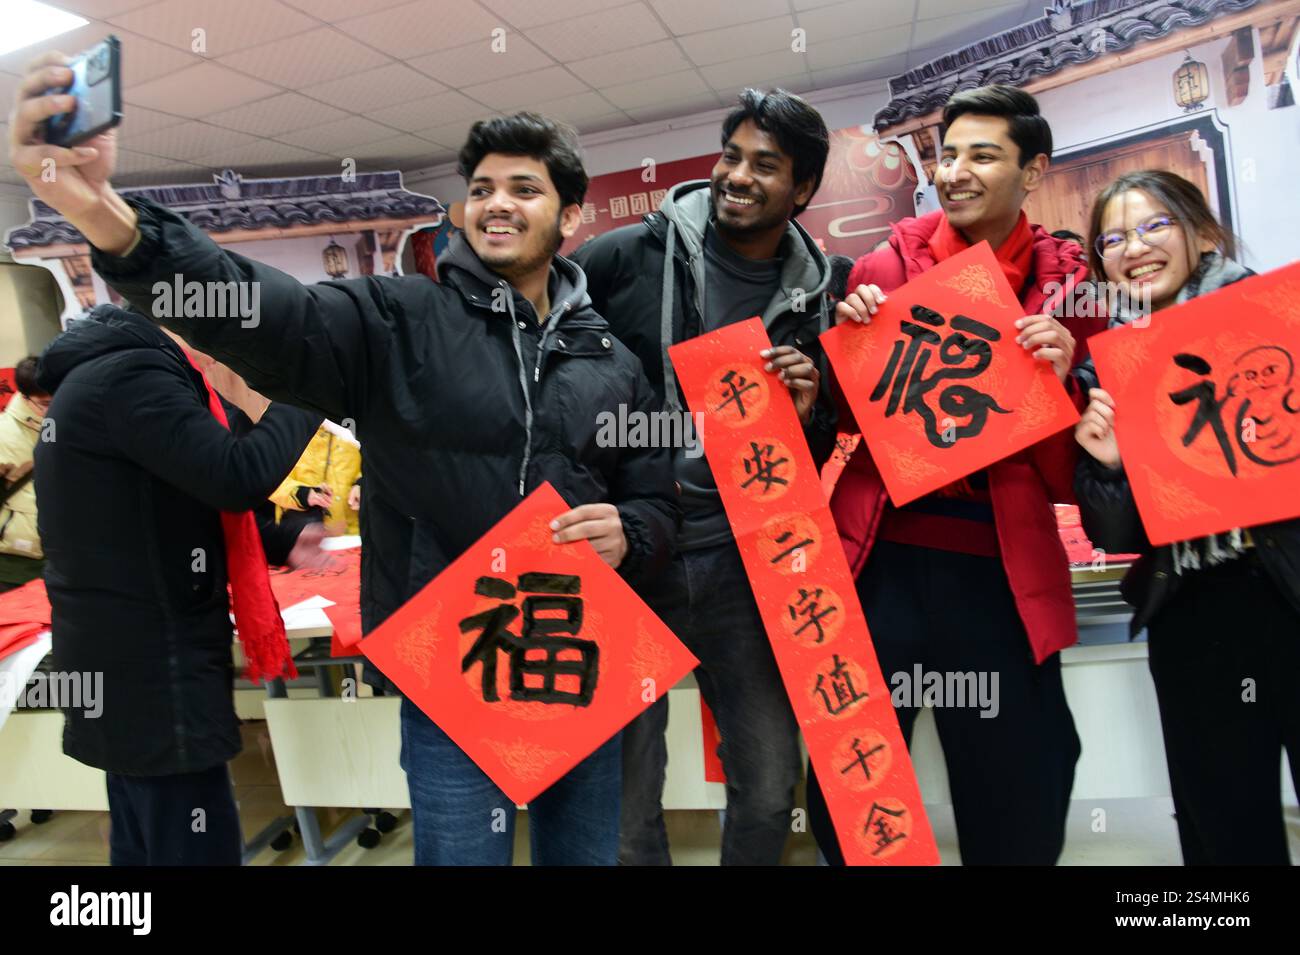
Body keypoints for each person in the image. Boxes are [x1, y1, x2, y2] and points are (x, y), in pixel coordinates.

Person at [10, 58, 679, 866]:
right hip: (451, 671)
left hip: (573, 658)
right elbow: (261, 312)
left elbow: (654, 496)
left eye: (526, 188)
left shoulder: (611, 359)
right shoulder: (397, 319)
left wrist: (632, 532)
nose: (498, 202)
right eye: (484, 187)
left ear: (570, 214)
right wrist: (108, 217)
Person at [821, 84, 1100, 865]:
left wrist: (1064, 382)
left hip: (1001, 569)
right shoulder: (881, 265)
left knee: (1024, 775)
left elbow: (1080, 469)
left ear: (1034, 169)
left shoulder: (1071, 287)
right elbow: (845, 421)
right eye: (948, 154)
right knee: (859, 776)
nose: (956, 172)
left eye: (983, 154)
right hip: (887, 556)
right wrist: (849, 344)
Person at [573, 88, 835, 865]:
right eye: (731, 156)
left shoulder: (820, 294)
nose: (739, 176)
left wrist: (810, 404)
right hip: (630, 553)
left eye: (766, 164)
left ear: (804, 190)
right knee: (624, 802)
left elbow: (819, 446)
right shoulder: (621, 258)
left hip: (746, 564)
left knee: (766, 781)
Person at [33, 305, 320, 865]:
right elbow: (233, 477)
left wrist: (279, 542)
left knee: (145, 835)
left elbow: (165, 503)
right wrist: (302, 394)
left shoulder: (111, 371)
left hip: (121, 657)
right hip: (149, 664)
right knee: (187, 838)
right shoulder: (132, 376)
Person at [1073, 169, 1300, 865]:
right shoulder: (1104, 369)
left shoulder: (1276, 319)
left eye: (1153, 226)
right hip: (1192, 609)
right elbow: (1115, 536)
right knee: (1224, 824)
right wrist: (1109, 467)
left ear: (1201, 233)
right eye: (1112, 239)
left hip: (1290, 587)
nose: (1133, 247)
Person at [0, 357, 50, 591]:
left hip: (60, 558)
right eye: (44, 403)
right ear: (24, 396)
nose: (51, 409)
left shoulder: (60, 425)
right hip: (13, 563)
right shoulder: (4, 433)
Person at [269, 420, 362, 536]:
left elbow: (375, 461)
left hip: (356, 532)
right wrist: (301, 494)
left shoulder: (352, 416)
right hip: (306, 535)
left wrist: (362, 484)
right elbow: (267, 479)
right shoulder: (282, 422)